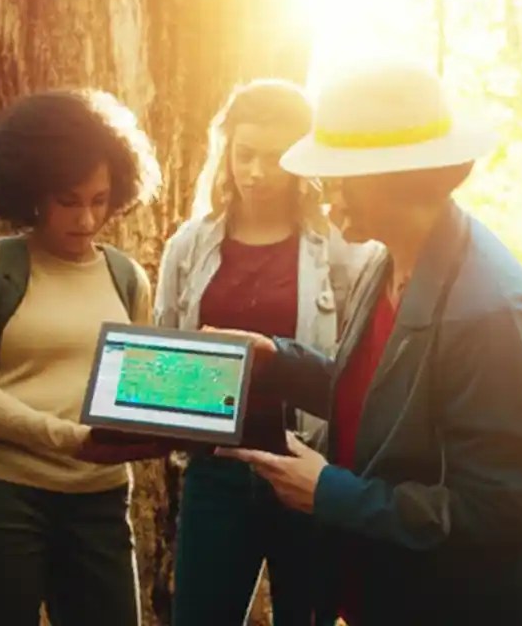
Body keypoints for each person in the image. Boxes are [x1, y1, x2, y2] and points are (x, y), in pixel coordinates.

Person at [215, 61, 522, 625]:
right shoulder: (387, 262)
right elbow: (395, 398)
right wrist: (279, 361)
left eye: (335, 178)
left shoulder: (491, 315)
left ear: (395, 178)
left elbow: (498, 508)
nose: (322, 197)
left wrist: (330, 493)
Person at [158, 80, 375, 625]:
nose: (254, 172)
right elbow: (165, 346)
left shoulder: (342, 253)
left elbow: (357, 374)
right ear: (225, 152)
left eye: (274, 158)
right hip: (215, 472)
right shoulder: (190, 246)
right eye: (243, 154)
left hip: (304, 469)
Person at [0, 89, 162, 626]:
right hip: (4, 498)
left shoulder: (128, 277)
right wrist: (70, 440)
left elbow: (136, 393)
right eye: (70, 200)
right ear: (35, 192)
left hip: (100, 503)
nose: (88, 218)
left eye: (100, 199)